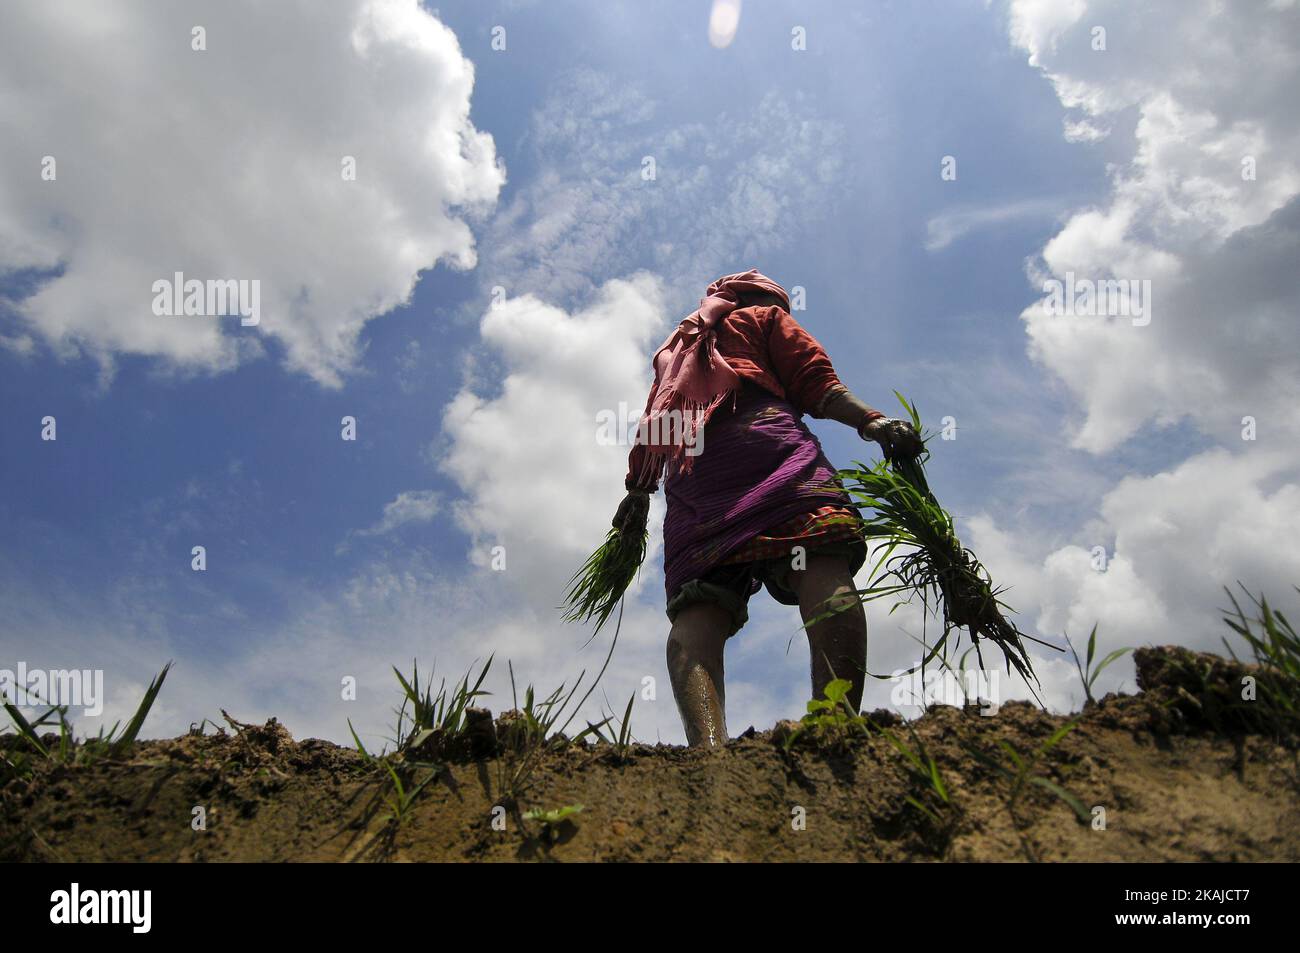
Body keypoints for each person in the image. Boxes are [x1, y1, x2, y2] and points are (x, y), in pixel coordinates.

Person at [613, 269, 923, 747]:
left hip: (696, 478)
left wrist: (637, 491)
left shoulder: (681, 344)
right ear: (767, 297)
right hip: (767, 447)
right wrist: (873, 422)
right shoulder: (764, 318)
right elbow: (816, 384)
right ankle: (834, 724)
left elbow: (658, 424)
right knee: (819, 561)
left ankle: (707, 752)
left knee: (700, 604)